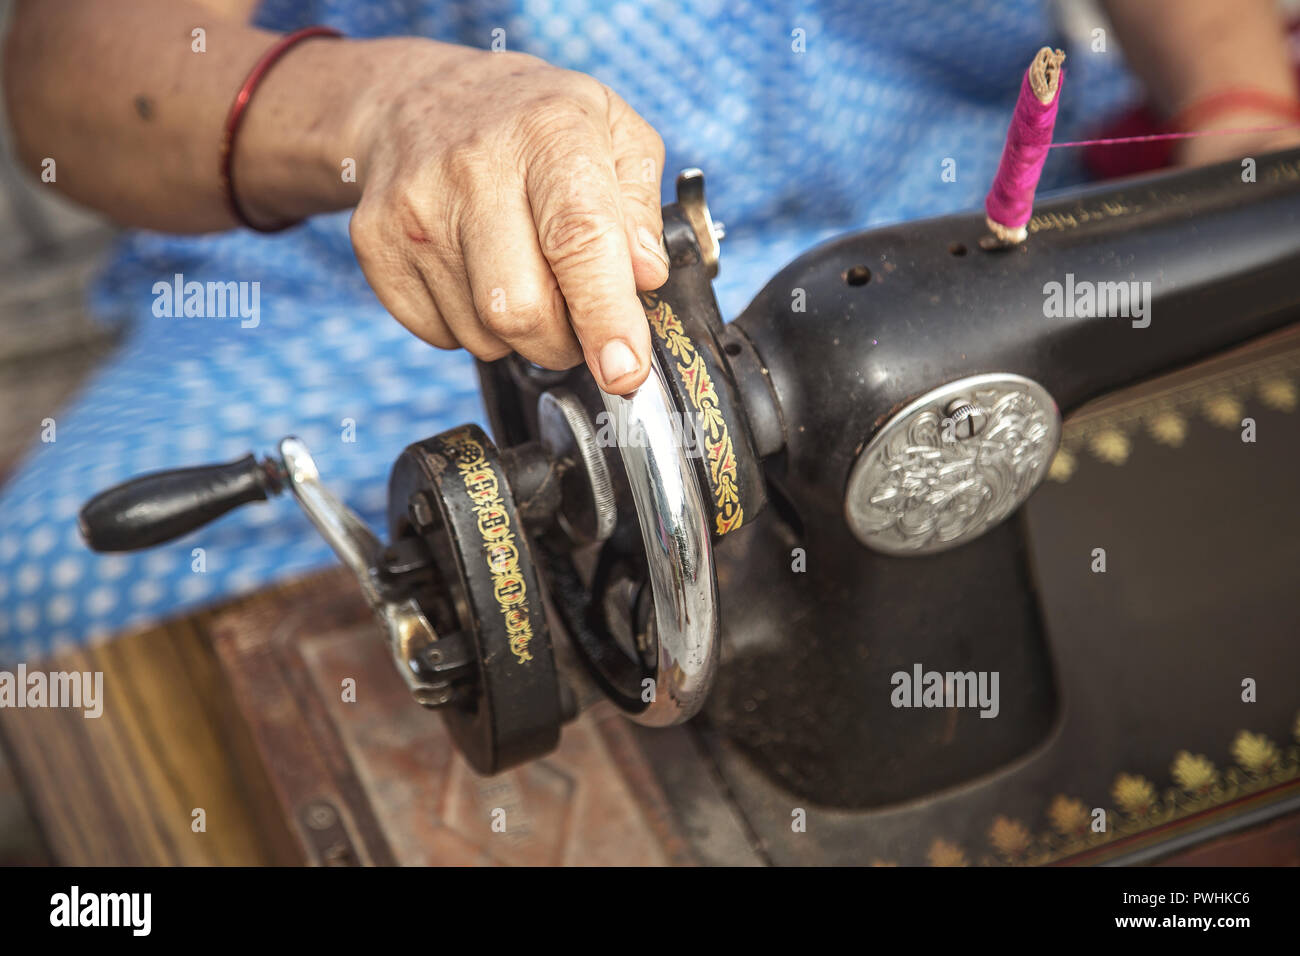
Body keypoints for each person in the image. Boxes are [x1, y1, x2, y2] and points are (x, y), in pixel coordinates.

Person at [2, 0, 1298, 658]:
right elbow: (68, 78)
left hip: (959, 183)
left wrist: (1234, 98)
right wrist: (391, 105)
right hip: (415, 244)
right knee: (53, 593)